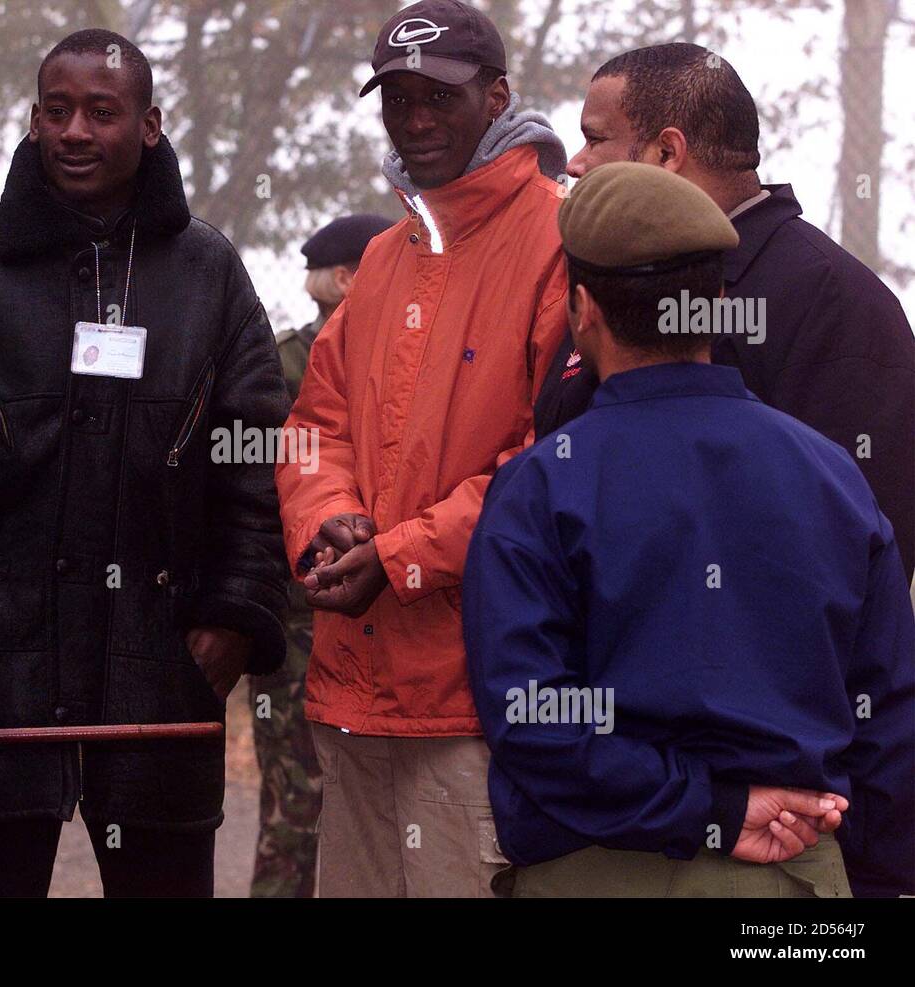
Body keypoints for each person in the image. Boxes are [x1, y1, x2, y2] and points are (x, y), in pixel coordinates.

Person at [0, 28, 289, 899]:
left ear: (149, 125)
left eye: (101, 112)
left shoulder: (208, 273)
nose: (74, 131)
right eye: (56, 111)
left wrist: (235, 612)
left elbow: (255, 458)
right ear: (31, 122)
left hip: (158, 672)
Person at [464, 161, 915, 898]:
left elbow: (533, 719)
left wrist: (710, 809)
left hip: (597, 870)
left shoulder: (542, 485)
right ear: (718, 305)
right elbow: (889, 714)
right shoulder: (833, 477)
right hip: (799, 872)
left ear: (583, 311)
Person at [274, 0, 568, 897]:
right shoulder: (388, 256)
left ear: (498, 96)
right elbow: (314, 424)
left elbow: (552, 461)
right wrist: (329, 521)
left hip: (477, 698)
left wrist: (395, 556)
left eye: (439, 95)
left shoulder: (559, 241)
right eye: (396, 98)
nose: (416, 118)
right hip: (355, 692)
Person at [534, 42, 915, 583]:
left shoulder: (835, 304)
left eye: (595, 137)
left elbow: (860, 557)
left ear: (668, 153)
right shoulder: (605, 274)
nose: (575, 162)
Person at [253, 213, 392, 898]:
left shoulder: (388, 360)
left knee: (333, 807)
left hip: (366, 616)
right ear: (344, 281)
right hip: (302, 622)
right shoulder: (287, 367)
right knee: (297, 805)